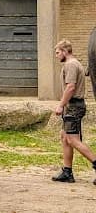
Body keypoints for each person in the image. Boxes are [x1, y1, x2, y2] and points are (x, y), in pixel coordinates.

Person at [51, 39, 96, 184]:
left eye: (57, 52)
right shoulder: (74, 64)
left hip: (74, 106)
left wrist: (60, 105)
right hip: (72, 106)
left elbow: (70, 87)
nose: (56, 56)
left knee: (73, 140)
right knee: (65, 137)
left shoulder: (71, 65)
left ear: (65, 51)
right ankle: (67, 172)